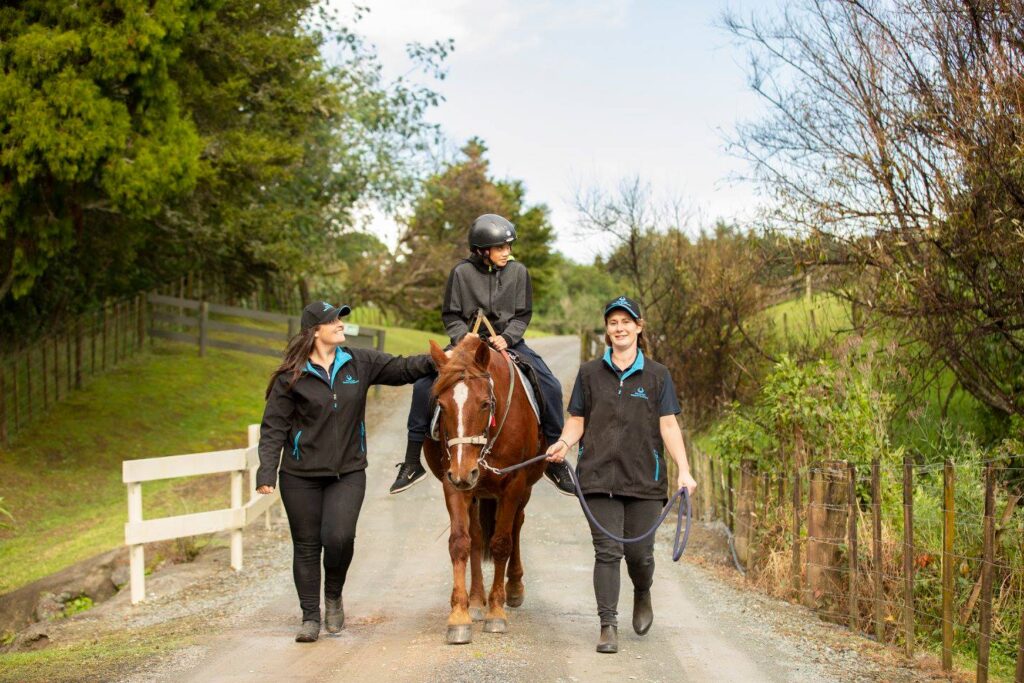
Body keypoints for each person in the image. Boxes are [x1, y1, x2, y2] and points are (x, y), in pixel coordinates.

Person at [256, 301, 437, 643]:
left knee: (339, 538)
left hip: (348, 471)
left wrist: (441, 358)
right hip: (300, 475)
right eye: (333, 320)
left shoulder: (359, 362)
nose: (340, 324)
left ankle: (333, 596)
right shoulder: (289, 378)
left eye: (340, 319)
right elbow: (273, 428)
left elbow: (403, 369)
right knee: (307, 546)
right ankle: (310, 617)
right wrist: (267, 471)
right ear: (314, 331)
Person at [544, 295, 698, 654]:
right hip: (598, 478)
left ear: (639, 327)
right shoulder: (589, 374)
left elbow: (669, 425)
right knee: (607, 551)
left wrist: (685, 471)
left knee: (640, 555)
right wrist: (563, 444)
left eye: (626, 322)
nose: (619, 328)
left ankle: (642, 592)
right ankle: (607, 625)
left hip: (645, 480)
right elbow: (578, 420)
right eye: (613, 323)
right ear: (607, 331)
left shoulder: (658, 376)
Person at [389, 213, 575, 496]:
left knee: (550, 384)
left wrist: (508, 337)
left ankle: (554, 461)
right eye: (500, 248)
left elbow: (523, 314)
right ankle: (413, 461)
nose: (507, 253)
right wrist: (463, 338)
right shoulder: (461, 273)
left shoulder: (519, 272)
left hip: (508, 344)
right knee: (423, 385)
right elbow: (450, 314)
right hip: (466, 344)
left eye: (508, 247)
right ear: (481, 250)